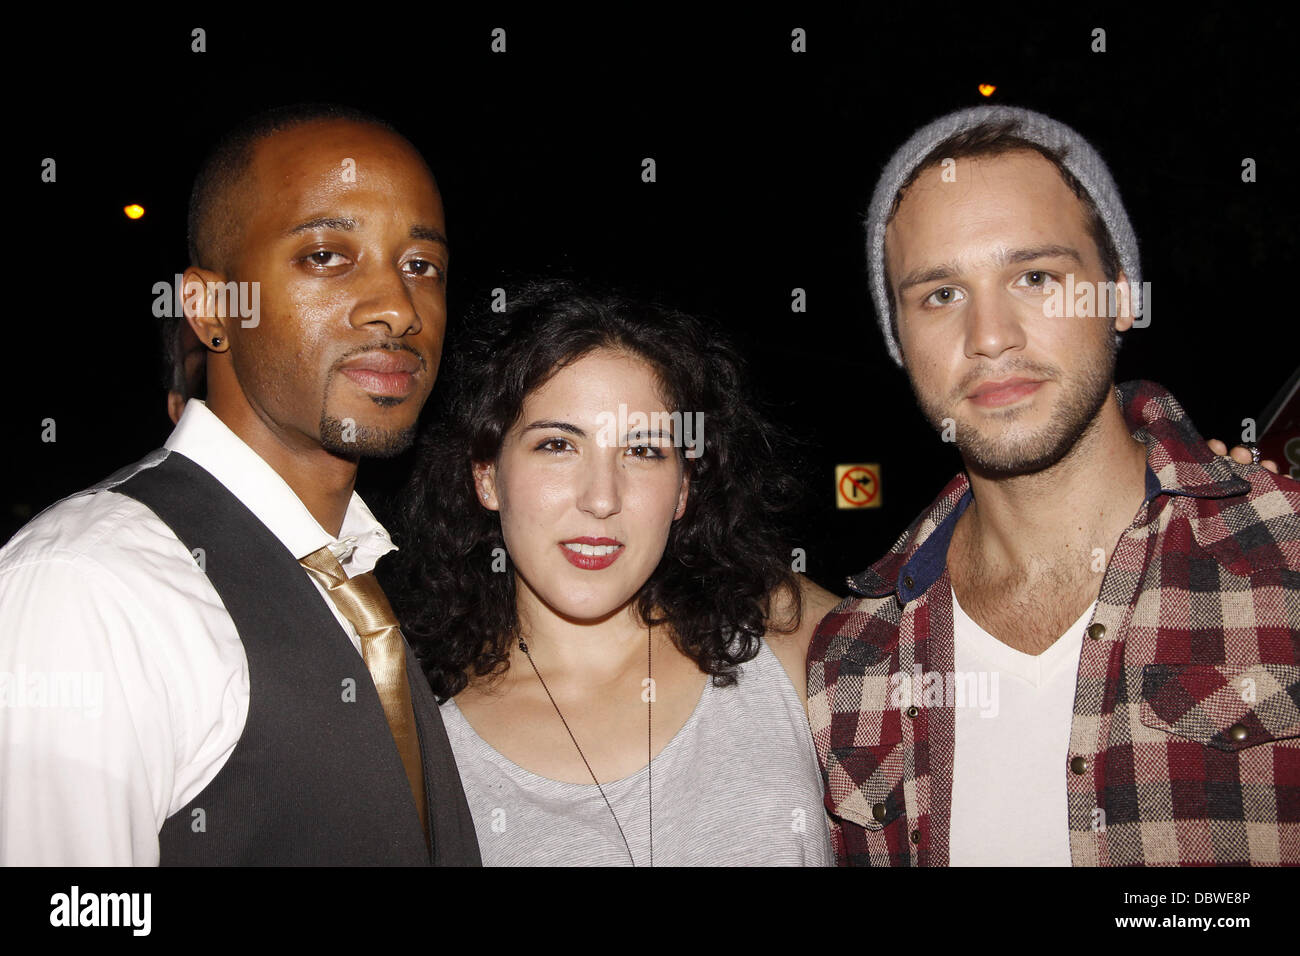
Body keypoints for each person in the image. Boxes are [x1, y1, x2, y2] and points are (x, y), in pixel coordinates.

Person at [808, 105, 1300, 866]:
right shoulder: (852, 662)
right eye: (940, 294)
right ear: (898, 344)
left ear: (1122, 296)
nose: (991, 336)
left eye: (1035, 276)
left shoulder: (1287, 556)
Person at [0, 104, 481, 865]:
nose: (398, 306)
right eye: (327, 255)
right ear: (211, 306)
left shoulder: (359, 572)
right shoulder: (93, 586)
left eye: (421, 265)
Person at [391, 281, 841, 865]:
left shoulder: (784, 634)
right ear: (486, 476)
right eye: (557, 444)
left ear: (683, 487)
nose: (601, 499)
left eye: (643, 450)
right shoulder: (417, 746)